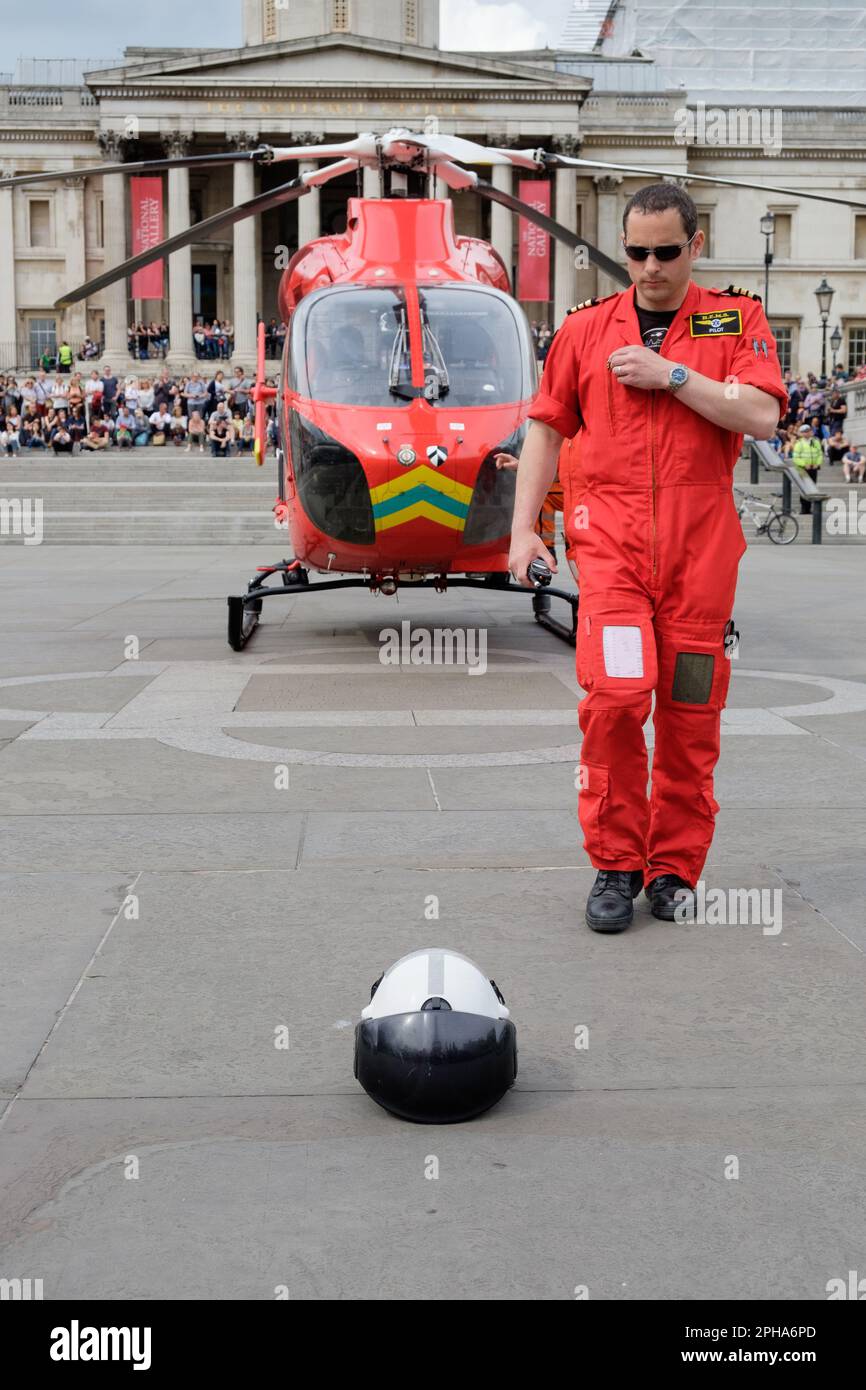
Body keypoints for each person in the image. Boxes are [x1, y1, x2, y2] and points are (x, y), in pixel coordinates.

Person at [511, 182, 786, 932]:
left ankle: (673, 869)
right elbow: (544, 428)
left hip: (701, 567)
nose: (651, 266)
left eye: (667, 251)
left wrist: (674, 375)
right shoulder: (585, 331)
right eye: (636, 253)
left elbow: (761, 411)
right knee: (617, 702)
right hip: (614, 557)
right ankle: (615, 863)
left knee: (692, 718)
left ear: (695, 246)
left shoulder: (737, 319)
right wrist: (524, 530)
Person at [792, 423, 823, 514]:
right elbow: (796, 457)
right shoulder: (799, 444)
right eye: (804, 432)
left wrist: (817, 464)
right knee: (804, 487)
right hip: (803, 469)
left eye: (808, 431)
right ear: (801, 433)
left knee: (812, 487)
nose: (807, 433)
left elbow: (819, 454)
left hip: (813, 468)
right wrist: (804, 464)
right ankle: (804, 508)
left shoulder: (815, 442)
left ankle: (809, 507)